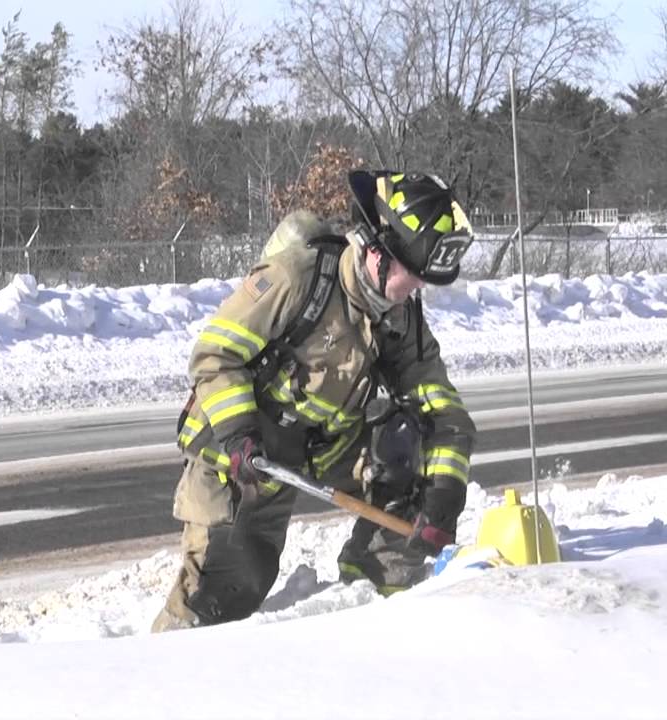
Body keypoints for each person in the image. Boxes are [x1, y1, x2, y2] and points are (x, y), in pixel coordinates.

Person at [151, 170, 478, 632]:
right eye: (413, 275)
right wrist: (240, 435)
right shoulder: (297, 278)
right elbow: (214, 355)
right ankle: (154, 679)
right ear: (376, 252)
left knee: (410, 445)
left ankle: (377, 605)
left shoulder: (399, 317)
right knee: (231, 587)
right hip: (242, 454)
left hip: (315, 449)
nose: (418, 289)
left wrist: (443, 494)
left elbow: (442, 409)